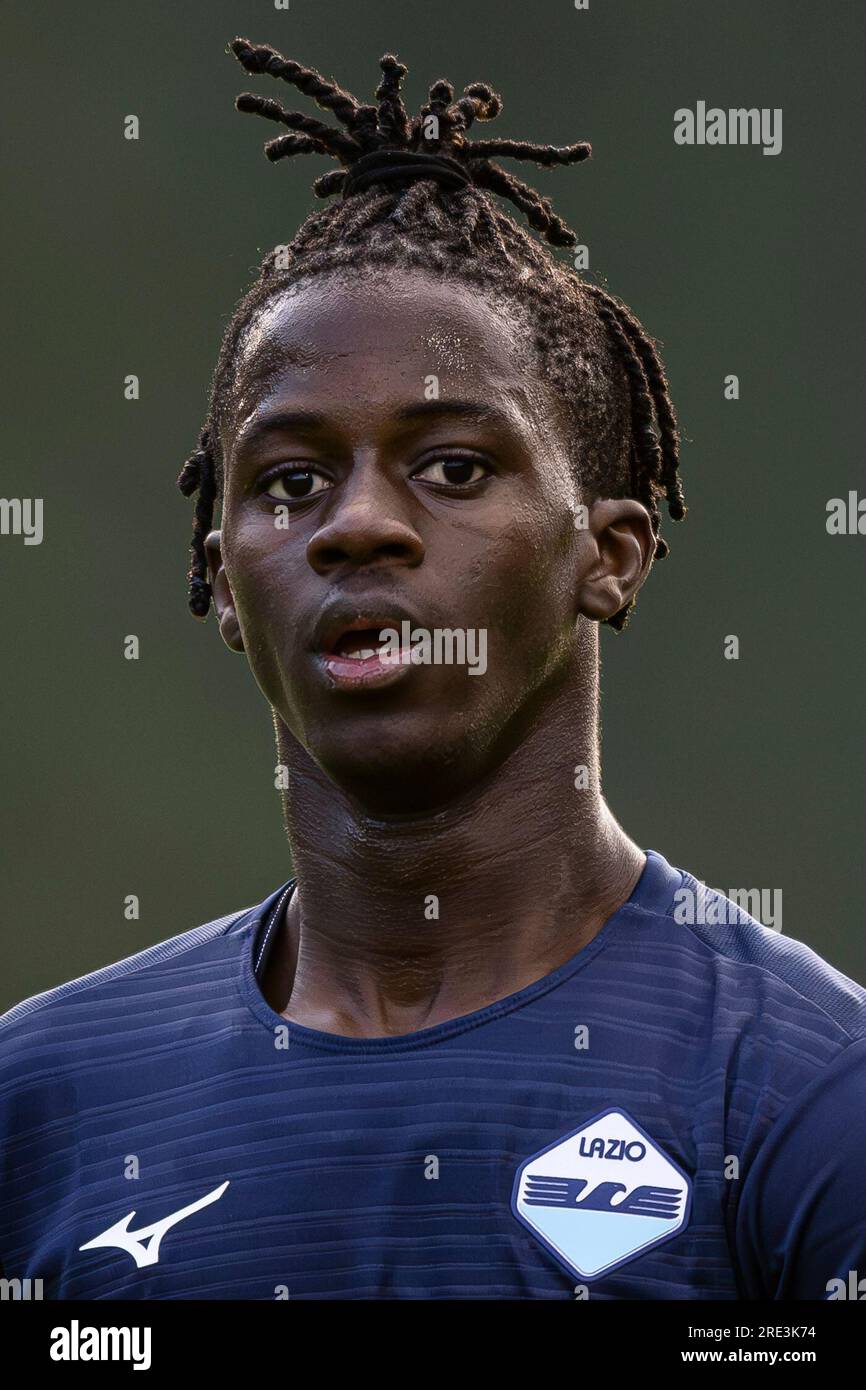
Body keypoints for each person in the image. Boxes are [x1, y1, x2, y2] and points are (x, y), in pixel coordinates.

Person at [1, 37, 864, 1301]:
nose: (355, 524)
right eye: (290, 482)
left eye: (453, 467)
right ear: (224, 577)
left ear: (608, 556)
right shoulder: (45, 1101)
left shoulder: (803, 1092)